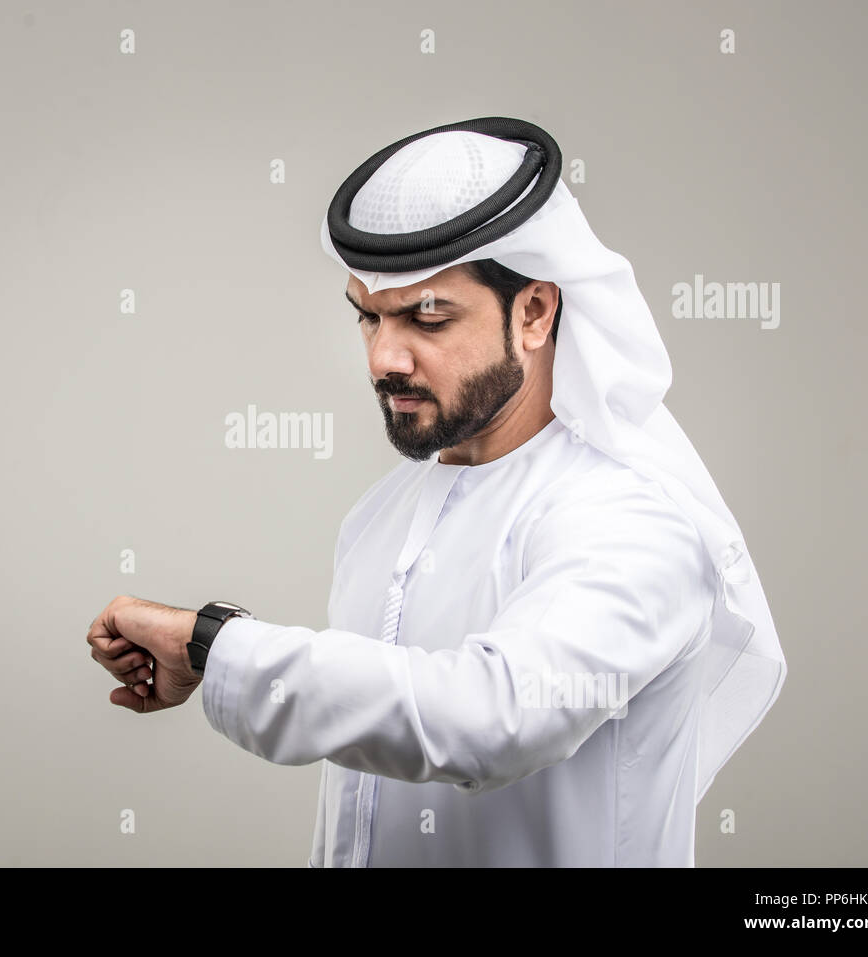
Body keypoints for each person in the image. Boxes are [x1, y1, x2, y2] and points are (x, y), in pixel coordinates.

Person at [86, 117, 786, 866]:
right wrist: (218, 649)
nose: (384, 357)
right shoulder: (381, 515)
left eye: (427, 315)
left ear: (536, 311)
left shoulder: (631, 519)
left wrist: (216, 645)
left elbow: (492, 717)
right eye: (367, 315)